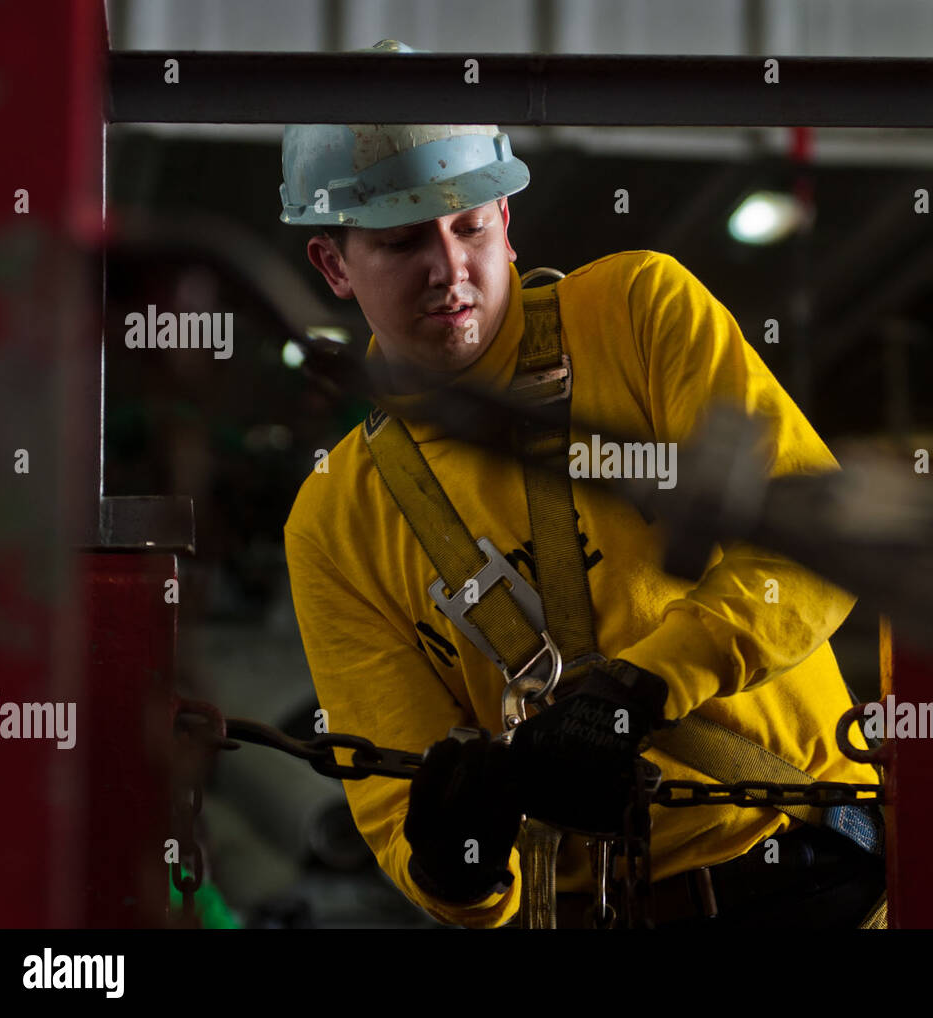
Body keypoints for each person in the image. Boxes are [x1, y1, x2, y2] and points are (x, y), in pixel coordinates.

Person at [281, 42, 885, 929]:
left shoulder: (638, 316)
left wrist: (647, 684)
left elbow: (813, 541)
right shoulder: (335, 524)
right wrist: (456, 861)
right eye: (402, 241)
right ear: (333, 266)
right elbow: (408, 833)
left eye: (470, 226)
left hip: (804, 879)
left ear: (507, 217)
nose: (449, 270)